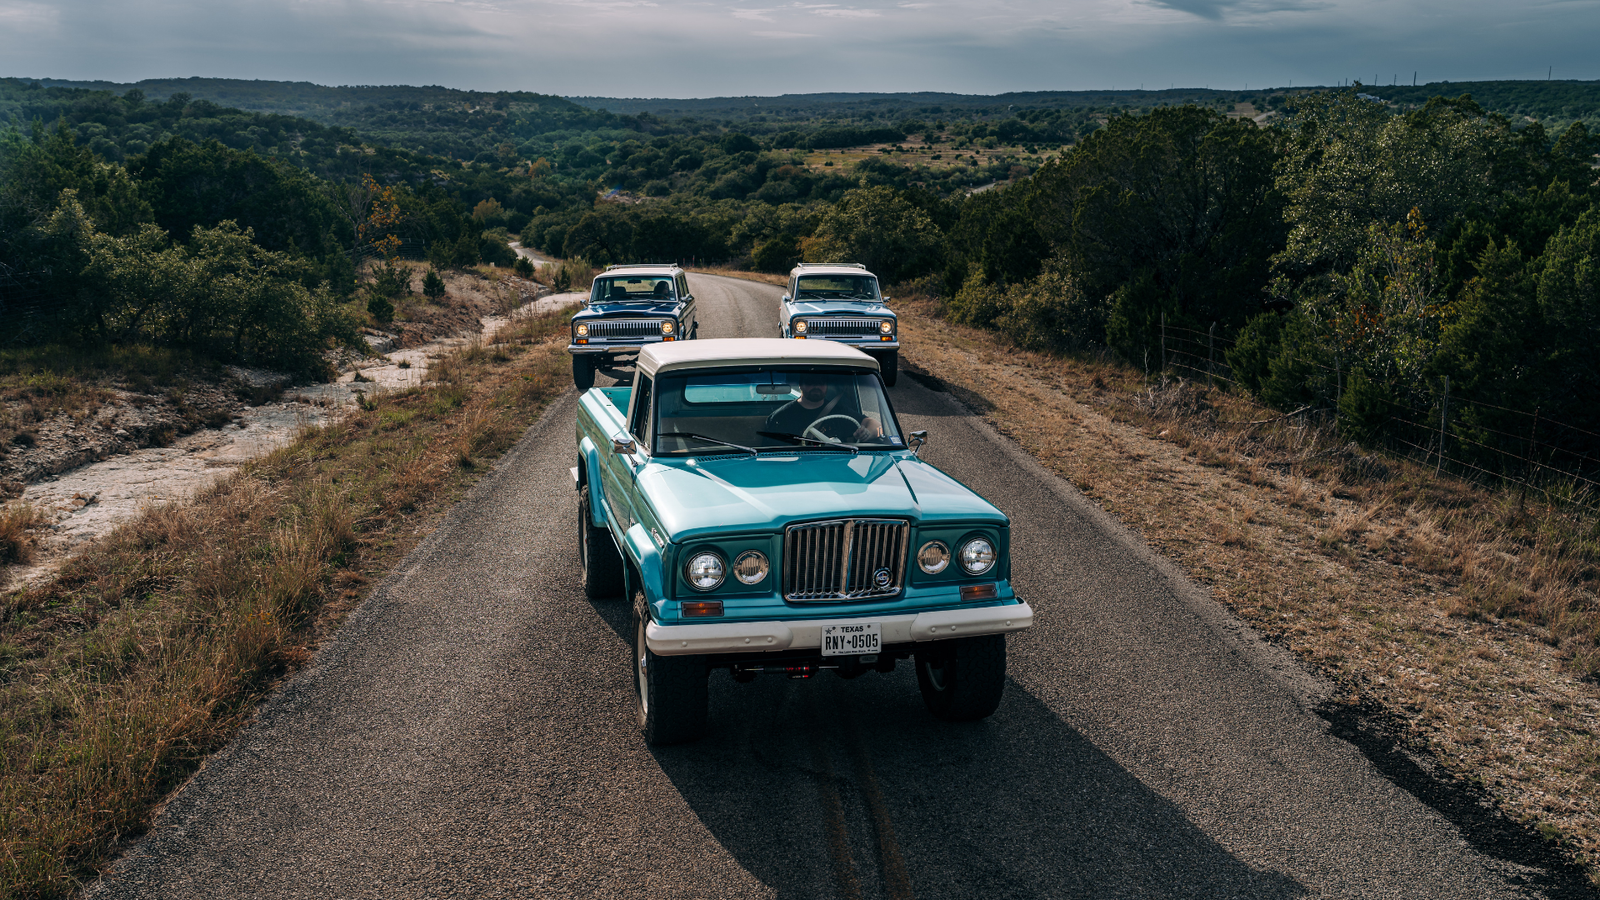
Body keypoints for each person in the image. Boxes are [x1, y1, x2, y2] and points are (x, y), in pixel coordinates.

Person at [764, 374, 882, 442]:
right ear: (801, 385)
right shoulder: (781, 417)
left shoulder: (840, 411)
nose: (816, 386)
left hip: (836, 471)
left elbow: (875, 424)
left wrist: (867, 433)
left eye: (821, 382)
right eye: (811, 382)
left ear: (826, 386)